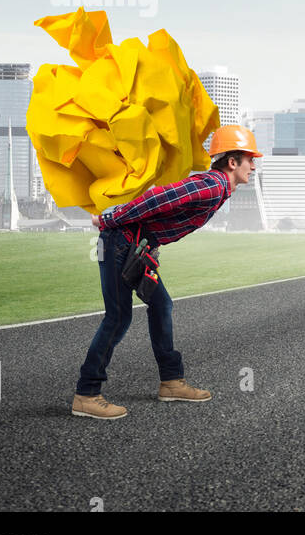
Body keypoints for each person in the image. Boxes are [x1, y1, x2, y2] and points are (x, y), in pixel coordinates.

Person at [71, 125, 262, 420]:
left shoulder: (219, 189)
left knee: (162, 305)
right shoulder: (213, 185)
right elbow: (159, 198)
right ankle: (86, 393)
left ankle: (171, 382)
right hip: (120, 242)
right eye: (250, 158)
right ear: (233, 162)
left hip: (135, 246)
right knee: (118, 317)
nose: (253, 165)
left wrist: (152, 246)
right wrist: (112, 219)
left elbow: (165, 213)